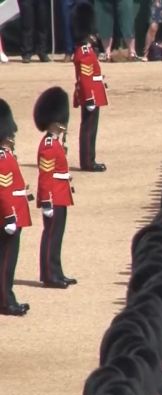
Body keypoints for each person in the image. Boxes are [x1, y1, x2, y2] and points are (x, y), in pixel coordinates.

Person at [33, 87, 76, 289]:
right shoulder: (49, 145)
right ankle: (49, 275)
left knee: (56, 235)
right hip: (54, 196)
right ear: (54, 121)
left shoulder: (55, 143)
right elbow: (46, 176)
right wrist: (47, 200)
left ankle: (56, 271)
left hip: (61, 193)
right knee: (51, 235)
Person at [0, 99, 31, 317]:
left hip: (14, 213)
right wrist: (10, 217)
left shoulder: (7, 157)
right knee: (6, 262)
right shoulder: (2, 159)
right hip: (8, 217)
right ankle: (6, 301)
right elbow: (2, 192)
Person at [72, 1, 108, 172]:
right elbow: (86, 78)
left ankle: (88, 159)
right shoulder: (85, 52)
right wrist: (90, 98)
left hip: (92, 92)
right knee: (88, 128)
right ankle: (88, 161)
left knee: (89, 127)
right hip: (90, 95)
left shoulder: (85, 49)